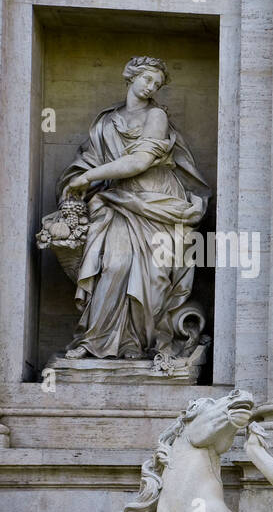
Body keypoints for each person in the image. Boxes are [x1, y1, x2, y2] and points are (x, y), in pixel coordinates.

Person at [58, 56, 209, 360]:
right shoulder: (105, 123)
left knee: (153, 278)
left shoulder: (156, 117)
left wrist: (89, 177)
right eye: (146, 79)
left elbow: (139, 162)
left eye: (157, 83)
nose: (151, 86)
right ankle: (97, 340)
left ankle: (136, 344)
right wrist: (78, 181)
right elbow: (88, 162)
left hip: (157, 200)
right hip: (117, 201)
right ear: (131, 77)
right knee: (114, 265)